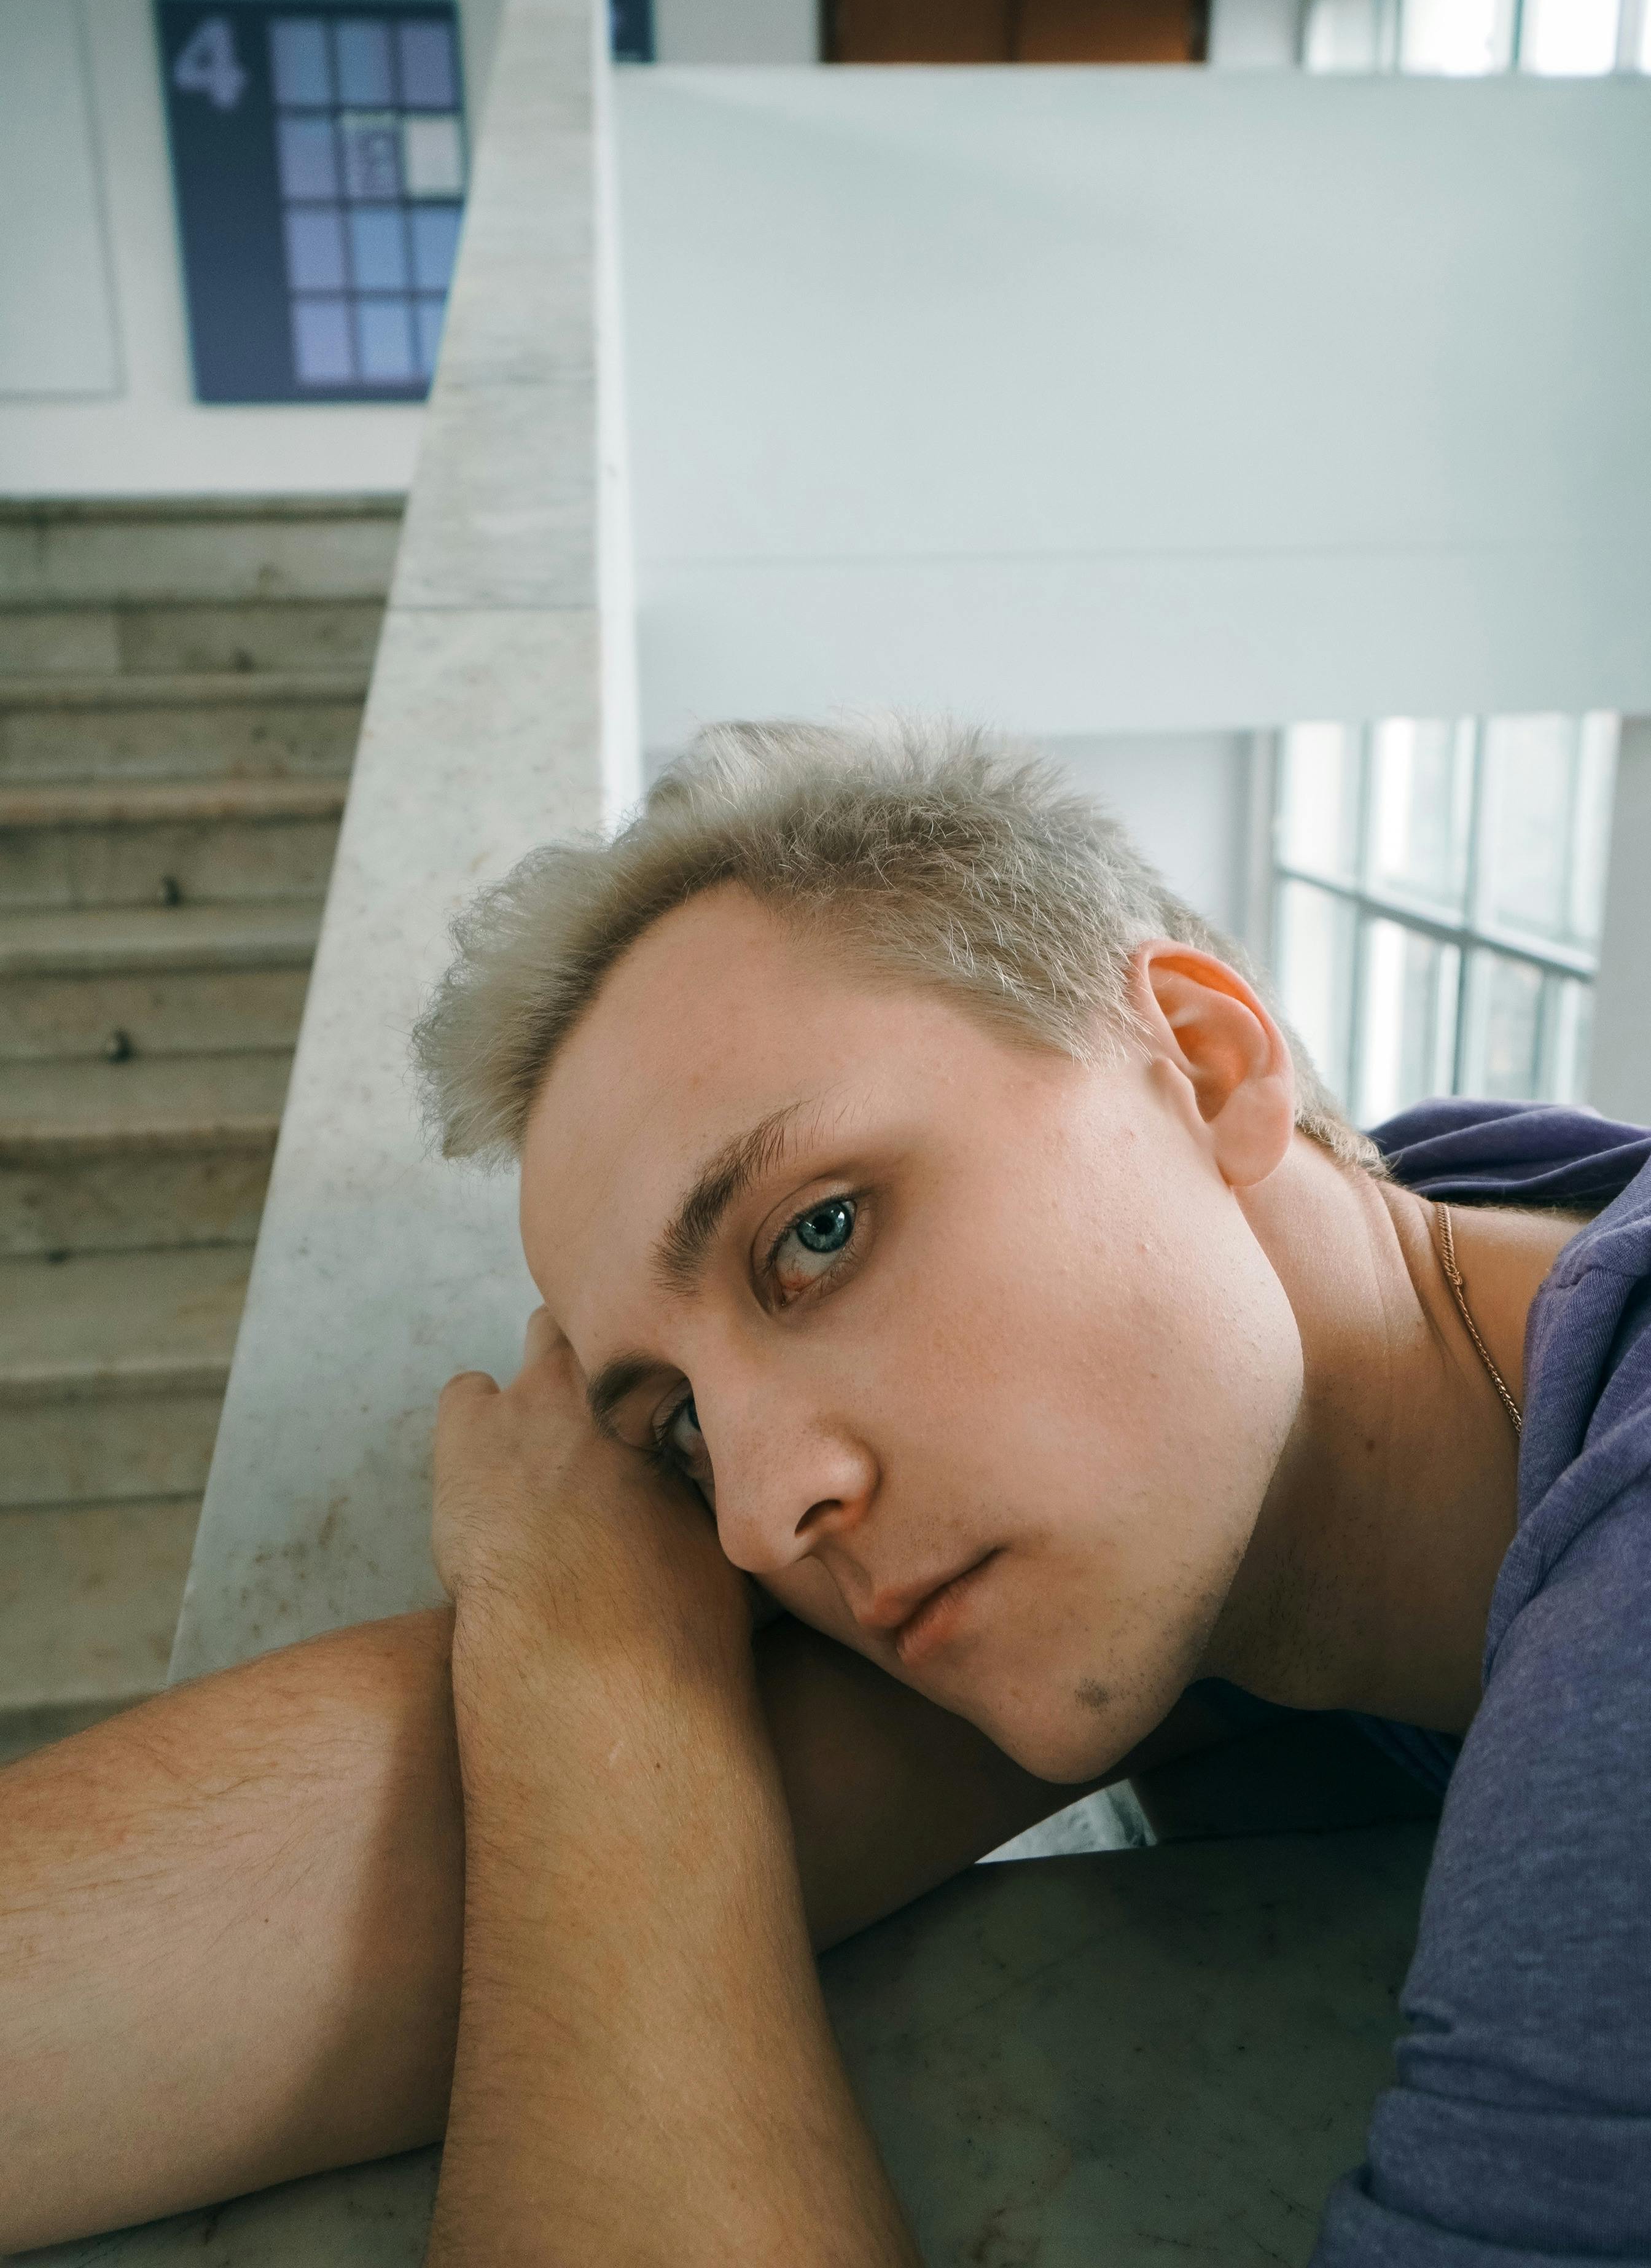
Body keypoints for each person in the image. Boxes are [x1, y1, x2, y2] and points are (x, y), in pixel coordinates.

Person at [2, 720, 1647, 2263]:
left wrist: (578, 1651)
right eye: (680, 1437)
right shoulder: (1411, 1281)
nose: (753, 1518)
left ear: (1209, 1064)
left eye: (821, 1233)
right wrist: (597, 1647)